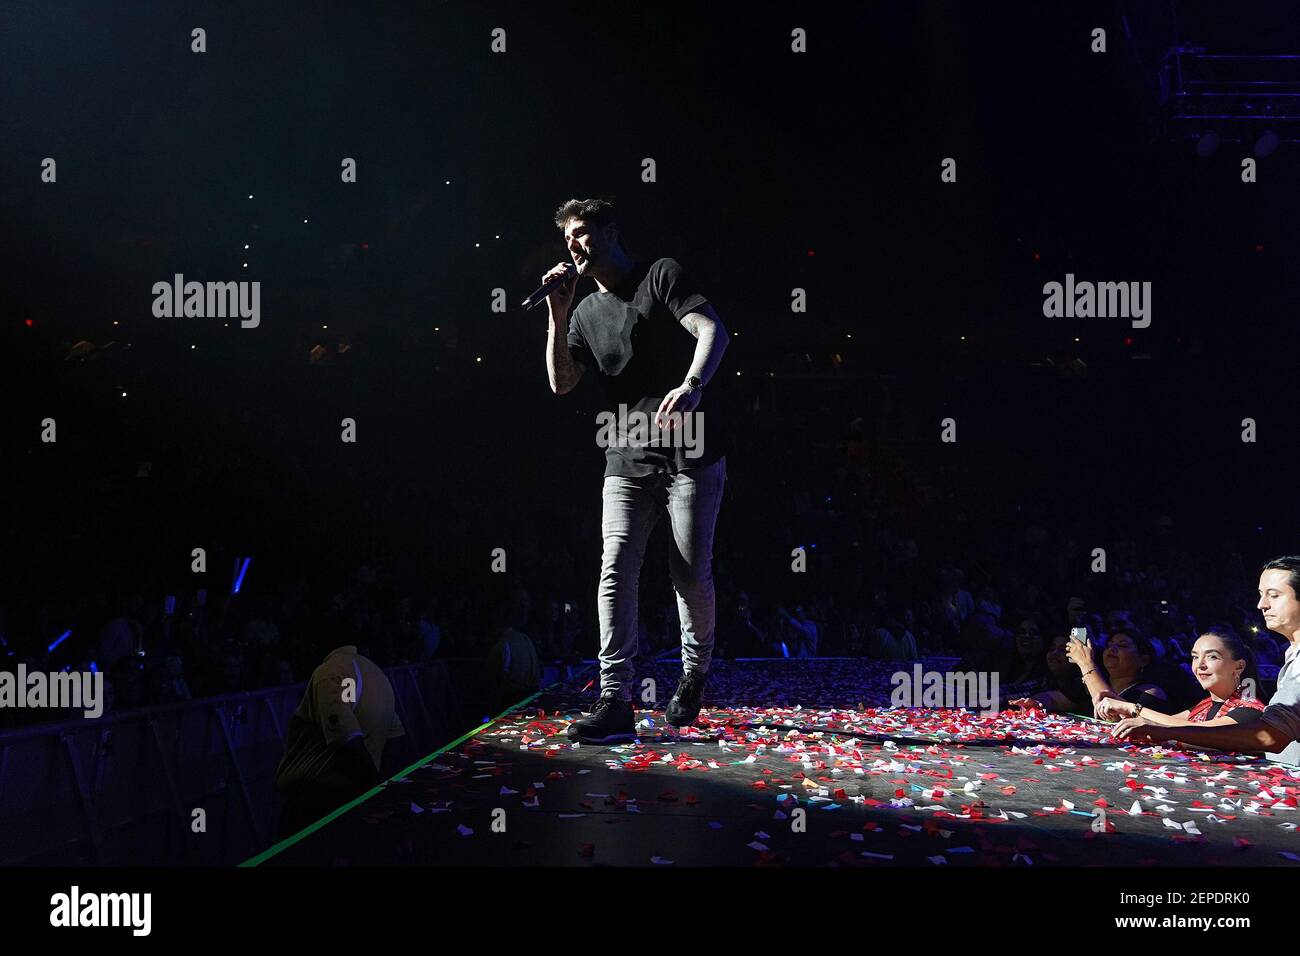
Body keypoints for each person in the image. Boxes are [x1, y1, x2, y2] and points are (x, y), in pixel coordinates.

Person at [543, 198, 730, 742]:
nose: (575, 245)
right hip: (625, 455)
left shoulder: (660, 275)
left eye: (582, 233)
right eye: (568, 240)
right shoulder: (582, 312)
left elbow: (712, 331)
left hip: (692, 450)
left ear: (610, 231)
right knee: (616, 566)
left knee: (689, 573)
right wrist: (558, 315)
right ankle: (614, 698)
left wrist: (692, 387)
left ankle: (694, 670)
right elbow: (561, 382)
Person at [1116, 557, 1300, 760]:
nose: (1261, 605)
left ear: (1239, 666)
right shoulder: (1292, 653)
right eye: (1261, 595)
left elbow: (1268, 737)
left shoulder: (1248, 707)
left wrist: (1162, 730)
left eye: (1273, 595)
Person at [274, 643, 405, 838]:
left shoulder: (329, 672)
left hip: (319, 802)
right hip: (357, 799)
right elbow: (396, 735)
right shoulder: (376, 674)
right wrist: (383, 787)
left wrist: (376, 792)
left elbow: (347, 739)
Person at [1096, 630, 1262, 726]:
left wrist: (1131, 708)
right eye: (1195, 657)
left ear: (1239, 666)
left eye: (1212, 657)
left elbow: (1195, 731)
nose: (1200, 665)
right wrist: (1121, 709)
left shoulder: (1249, 709)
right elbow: (1165, 722)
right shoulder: (1203, 706)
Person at [1064, 627, 1169, 714]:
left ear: (1143, 660)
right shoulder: (1094, 682)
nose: (1112, 648)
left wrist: (1086, 663)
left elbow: (1112, 716)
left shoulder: (1152, 693)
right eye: (1109, 645)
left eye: (1122, 645)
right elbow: (1055, 699)